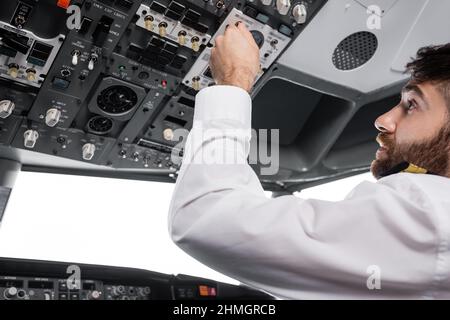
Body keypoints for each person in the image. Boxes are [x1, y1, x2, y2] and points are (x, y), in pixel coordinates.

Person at [168, 22, 450, 299]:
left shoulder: (431, 212)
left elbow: (204, 215)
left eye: (412, 105)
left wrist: (234, 79)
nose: (383, 120)